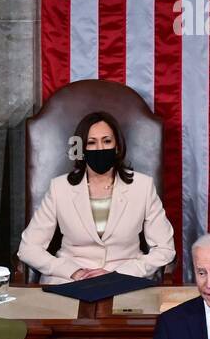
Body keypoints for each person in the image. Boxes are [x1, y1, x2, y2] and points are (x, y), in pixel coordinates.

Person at [17, 111, 176, 284]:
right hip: (69, 280)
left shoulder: (142, 187)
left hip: (124, 279)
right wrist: (73, 271)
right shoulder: (59, 188)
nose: (100, 148)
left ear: (117, 146)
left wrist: (120, 273)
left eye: (107, 141)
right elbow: (28, 248)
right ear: (81, 149)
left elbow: (165, 249)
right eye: (91, 143)